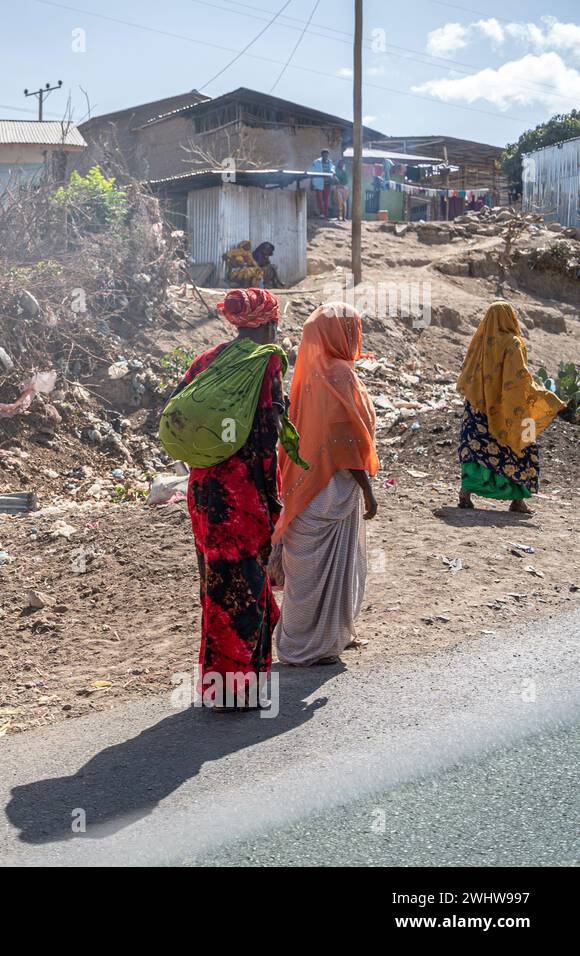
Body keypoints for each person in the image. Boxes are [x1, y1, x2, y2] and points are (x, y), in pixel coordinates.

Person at [178, 288, 286, 709]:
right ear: (269, 323)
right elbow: (265, 439)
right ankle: (242, 690)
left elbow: (181, 419)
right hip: (243, 496)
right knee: (246, 590)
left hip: (205, 492)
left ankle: (220, 687)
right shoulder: (266, 362)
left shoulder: (205, 361)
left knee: (216, 588)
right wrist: (272, 503)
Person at [270, 303, 379, 667]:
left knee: (308, 577)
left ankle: (308, 639)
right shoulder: (341, 376)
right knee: (332, 570)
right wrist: (367, 490)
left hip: (304, 489)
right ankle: (314, 645)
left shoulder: (309, 376)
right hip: (333, 489)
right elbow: (347, 441)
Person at [456, 302, 565, 514]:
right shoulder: (514, 343)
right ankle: (517, 500)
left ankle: (466, 493)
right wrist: (544, 397)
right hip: (507, 409)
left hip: (477, 407)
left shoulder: (479, 342)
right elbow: (520, 378)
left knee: (476, 449)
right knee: (522, 447)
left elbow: (467, 374)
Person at [312, 150, 335, 219]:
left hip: (327, 183)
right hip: (318, 183)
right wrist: (312, 183)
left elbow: (333, 169)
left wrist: (333, 172)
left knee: (326, 199)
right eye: (325, 154)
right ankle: (322, 213)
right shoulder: (316, 162)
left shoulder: (330, 162)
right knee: (320, 199)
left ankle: (325, 213)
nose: (326, 156)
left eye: (327, 155)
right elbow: (313, 172)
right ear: (322, 155)